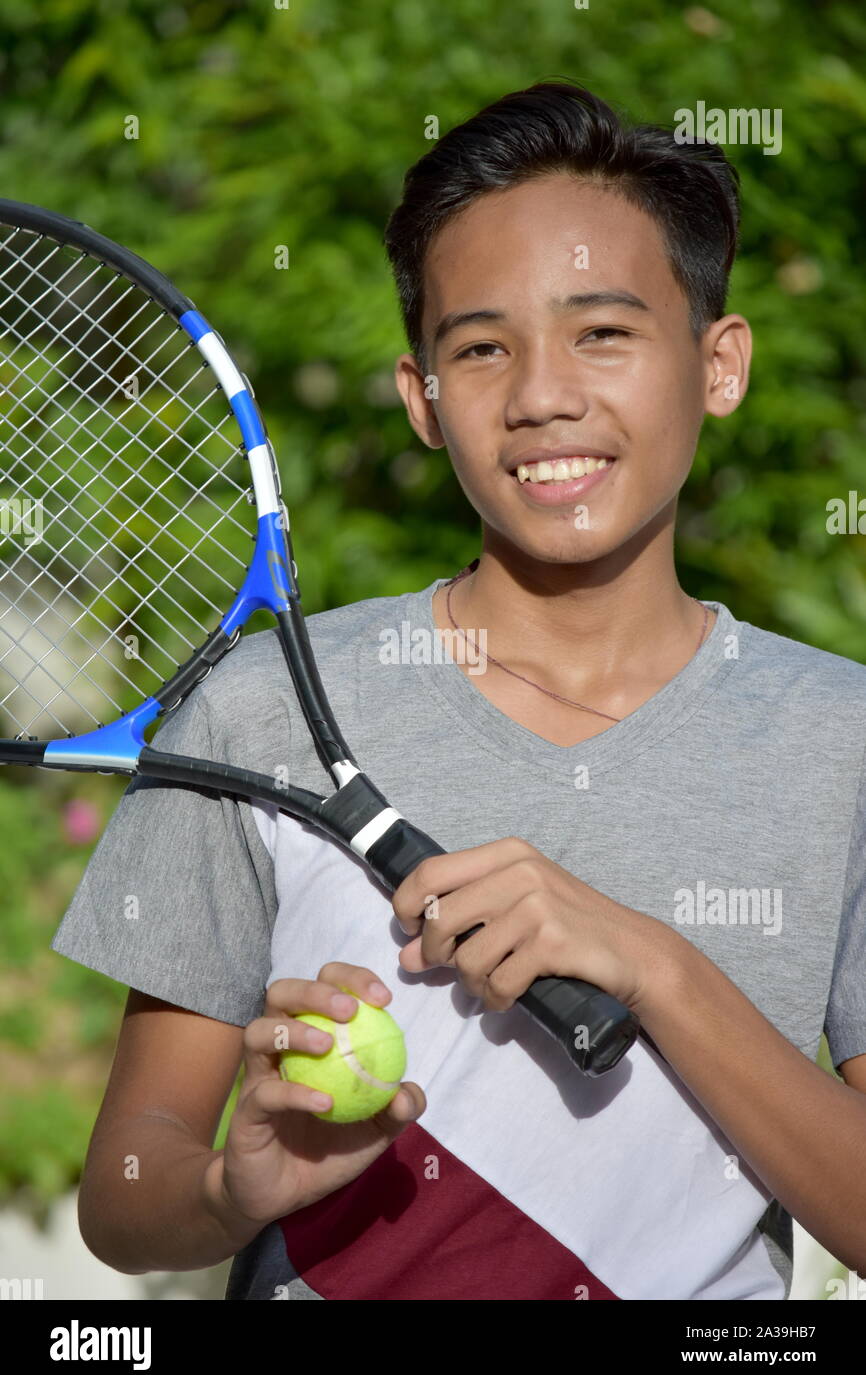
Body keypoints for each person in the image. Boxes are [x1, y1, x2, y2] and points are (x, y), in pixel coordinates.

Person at [52, 80, 866, 1301]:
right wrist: (232, 1187)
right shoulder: (260, 709)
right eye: (479, 347)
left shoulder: (841, 738)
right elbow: (123, 1191)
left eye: (601, 331)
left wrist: (658, 966)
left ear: (718, 364)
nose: (540, 395)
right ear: (421, 399)